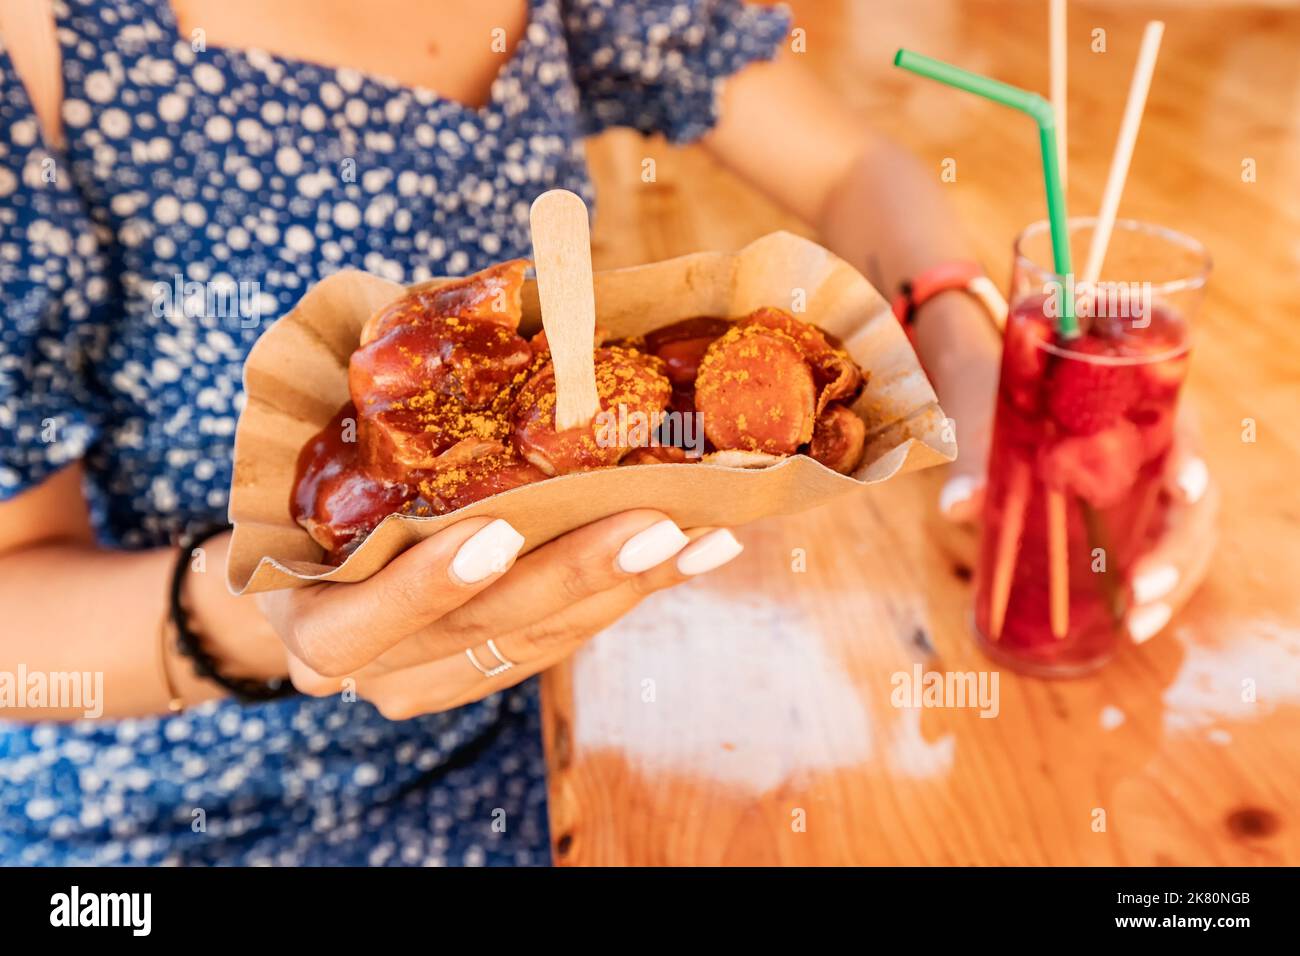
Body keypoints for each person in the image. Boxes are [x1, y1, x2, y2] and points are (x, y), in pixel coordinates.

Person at [0, 0, 1216, 865]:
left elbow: (854, 163)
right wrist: (268, 616)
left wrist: (969, 359)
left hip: (546, 725)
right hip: (169, 822)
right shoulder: (39, 44)